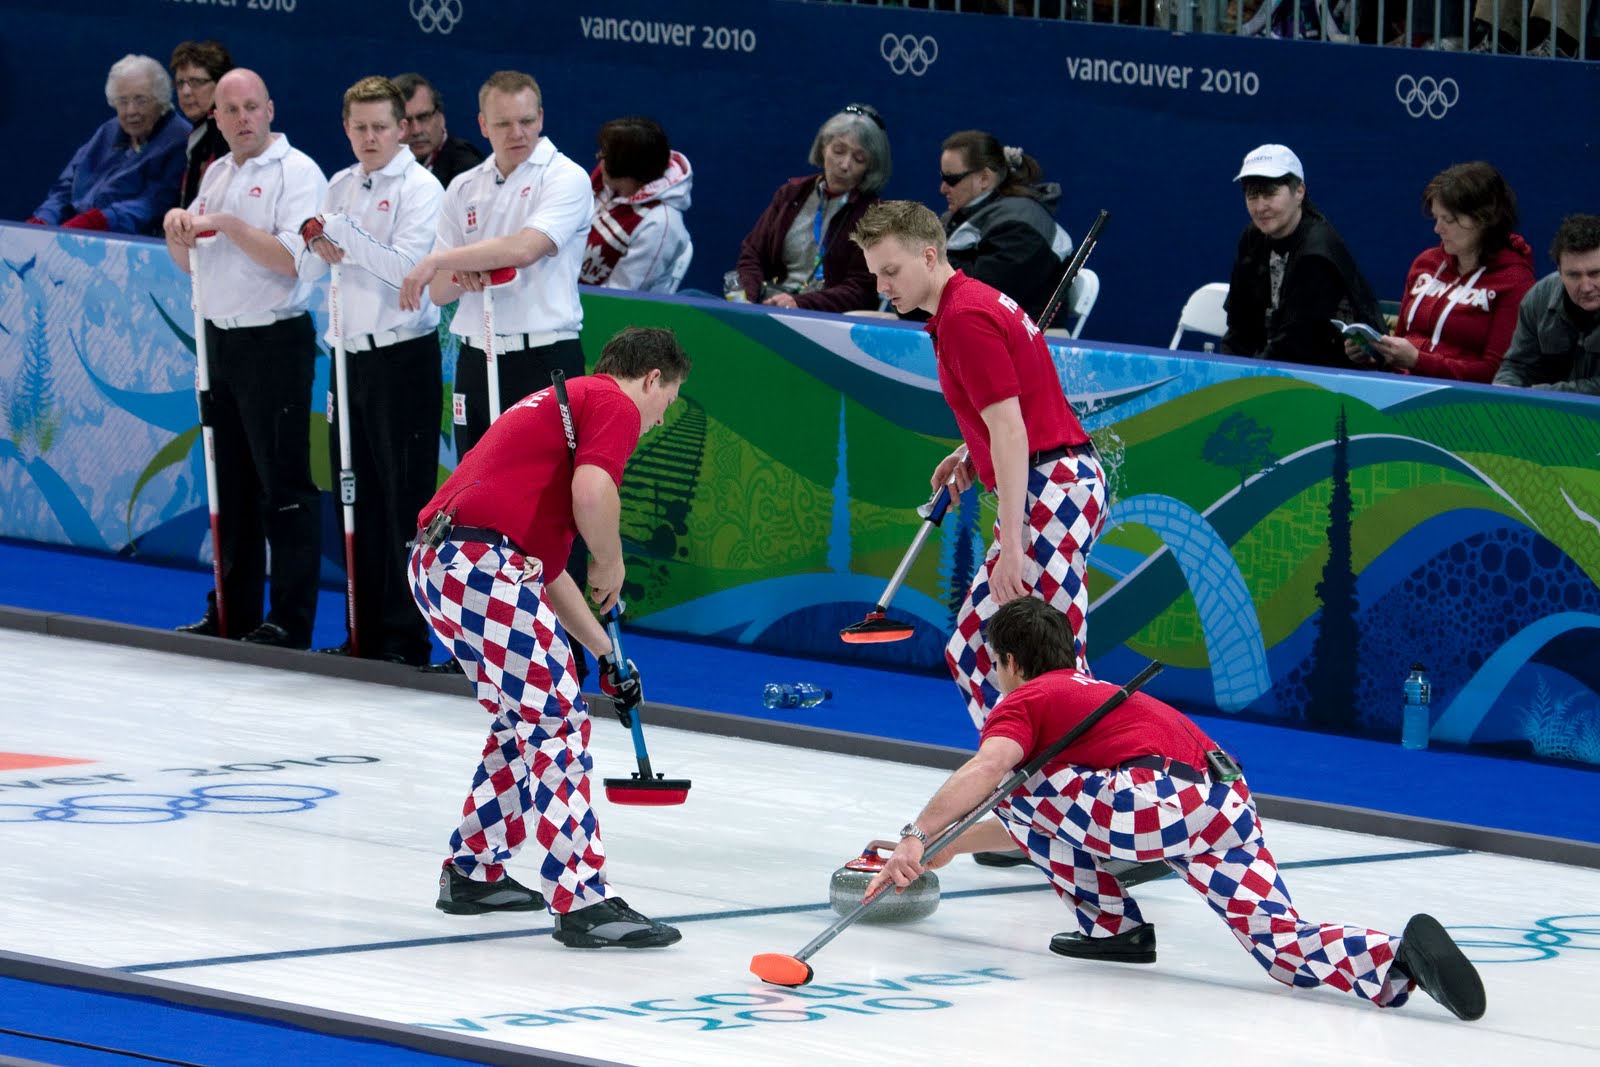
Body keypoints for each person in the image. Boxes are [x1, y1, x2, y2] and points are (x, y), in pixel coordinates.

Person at [867, 596, 1488, 1022]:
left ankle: (1115, 928)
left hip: (1150, 804)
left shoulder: (1028, 698)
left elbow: (990, 775)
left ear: (1010, 661)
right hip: (1225, 800)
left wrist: (916, 836)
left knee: (1020, 782)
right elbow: (1053, 826)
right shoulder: (1098, 693)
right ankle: (1398, 957)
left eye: (994, 664)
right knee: (1281, 949)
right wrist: (948, 848)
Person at [408, 325, 689, 949]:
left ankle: (474, 871)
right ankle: (583, 899)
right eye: (666, 404)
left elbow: (547, 567)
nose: (658, 422)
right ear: (651, 380)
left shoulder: (562, 408)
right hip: (483, 565)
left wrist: (607, 653)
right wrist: (611, 559)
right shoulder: (612, 402)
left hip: (445, 565)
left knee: (524, 719)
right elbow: (594, 493)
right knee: (556, 721)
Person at [852, 200, 1106, 727]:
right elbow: (1017, 409)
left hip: (1053, 489)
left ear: (928, 255)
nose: (882, 286)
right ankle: (1022, 781)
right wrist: (973, 449)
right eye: (876, 273)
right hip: (1052, 482)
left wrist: (1012, 544)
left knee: (1055, 667)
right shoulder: (968, 307)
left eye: (891, 271)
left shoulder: (966, 317)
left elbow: (1013, 430)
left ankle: (1062, 785)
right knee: (975, 651)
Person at [162, 69, 327, 648]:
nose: (242, 119)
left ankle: (289, 619)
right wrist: (176, 231)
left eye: (252, 107)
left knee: (281, 484)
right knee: (227, 482)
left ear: (271, 109)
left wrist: (227, 224)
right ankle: (231, 610)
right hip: (221, 341)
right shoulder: (217, 171)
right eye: (230, 111)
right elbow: (192, 267)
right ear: (215, 118)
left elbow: (291, 260)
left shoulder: (298, 172)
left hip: (274, 343)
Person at [288, 76, 445, 666]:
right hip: (347, 357)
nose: (371, 137)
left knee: (405, 498)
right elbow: (306, 269)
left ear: (403, 126)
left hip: (402, 356)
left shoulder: (423, 188)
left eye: (382, 126)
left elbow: (406, 270)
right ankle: (364, 630)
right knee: (355, 496)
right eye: (360, 128)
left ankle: (406, 636)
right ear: (346, 128)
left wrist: (341, 234)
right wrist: (313, 238)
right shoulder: (339, 183)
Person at [398, 69, 591, 462]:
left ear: (540, 117)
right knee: (475, 488)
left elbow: (525, 249)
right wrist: (463, 269)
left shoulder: (565, 177)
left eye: (525, 121)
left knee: (545, 492)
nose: (516, 133)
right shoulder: (464, 186)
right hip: (475, 358)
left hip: (543, 357)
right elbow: (439, 291)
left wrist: (442, 259)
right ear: (484, 125)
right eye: (503, 123)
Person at [1350, 162, 1533, 382]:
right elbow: (1401, 340)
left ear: (1484, 219)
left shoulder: (1514, 281)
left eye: (1448, 220)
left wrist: (1418, 361)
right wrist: (1374, 356)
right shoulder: (1425, 263)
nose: (1438, 229)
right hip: (1399, 387)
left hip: (1458, 403)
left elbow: (1496, 373)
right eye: (1437, 218)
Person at [1221, 144, 1385, 368]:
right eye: (1252, 195)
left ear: (1299, 191)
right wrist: (1224, 370)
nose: (1260, 207)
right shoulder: (1253, 238)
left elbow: (1294, 345)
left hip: (1325, 377)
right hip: (1276, 367)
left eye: (1270, 193)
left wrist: (1242, 380)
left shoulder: (1317, 251)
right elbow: (1240, 325)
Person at [733, 103, 889, 313]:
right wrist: (747, 301)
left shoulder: (874, 214)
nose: (844, 165)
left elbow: (861, 290)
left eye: (858, 159)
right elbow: (752, 254)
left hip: (822, 319)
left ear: (870, 167)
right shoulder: (790, 194)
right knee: (692, 297)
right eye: (838, 150)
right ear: (824, 147)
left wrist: (800, 303)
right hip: (769, 305)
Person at [27, 55, 191, 234]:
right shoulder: (109, 130)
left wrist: (97, 221)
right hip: (74, 232)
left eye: (141, 100)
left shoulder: (179, 139)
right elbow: (66, 186)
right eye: (123, 101)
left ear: (161, 101)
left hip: (122, 240)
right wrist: (44, 218)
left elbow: (154, 203)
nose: (131, 111)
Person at [937, 130, 1073, 323]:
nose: (942, 188)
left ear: (984, 178)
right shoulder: (966, 217)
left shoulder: (1022, 227)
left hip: (1019, 342)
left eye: (951, 179)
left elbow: (977, 298)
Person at [580, 116, 693, 293]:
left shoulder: (660, 224)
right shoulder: (605, 187)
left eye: (604, 155)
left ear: (624, 167)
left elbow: (620, 297)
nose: (598, 158)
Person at [1493, 213, 1600, 395]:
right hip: (1544, 414)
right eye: (1573, 275)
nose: (1586, 286)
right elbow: (1517, 366)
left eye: (1595, 273)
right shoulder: (1538, 299)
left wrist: (1538, 393)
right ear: (1559, 271)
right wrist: (1504, 390)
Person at [391, 73, 484, 191]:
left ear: (441, 118)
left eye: (423, 117)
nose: (416, 130)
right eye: (406, 121)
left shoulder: (466, 170)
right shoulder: (382, 166)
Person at [169, 40, 233, 211]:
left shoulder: (228, 133)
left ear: (220, 84)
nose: (186, 92)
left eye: (196, 82)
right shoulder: (200, 130)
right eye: (180, 83)